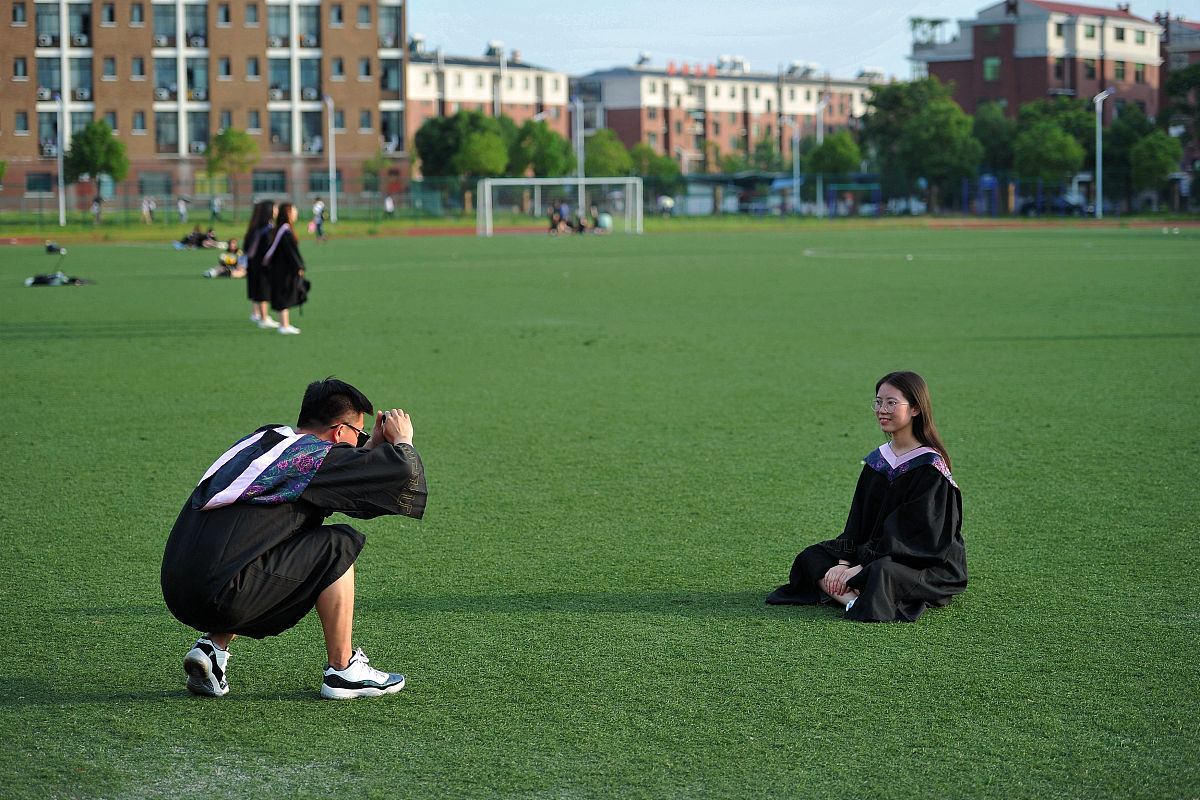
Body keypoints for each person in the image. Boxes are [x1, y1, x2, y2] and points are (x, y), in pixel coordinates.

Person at [161, 378, 427, 699]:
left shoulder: (265, 439)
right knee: (338, 544)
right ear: (339, 432)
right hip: (220, 596)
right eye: (359, 435)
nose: (360, 443)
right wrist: (402, 440)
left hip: (177, 589)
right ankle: (343, 670)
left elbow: (335, 475)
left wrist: (369, 449)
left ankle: (213, 648)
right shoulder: (314, 459)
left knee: (280, 538)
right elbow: (401, 472)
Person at [766, 371, 966, 622]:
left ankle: (853, 589)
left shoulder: (930, 467)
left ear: (915, 408)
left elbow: (920, 535)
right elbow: (857, 520)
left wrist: (862, 566)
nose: (882, 410)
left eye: (891, 403)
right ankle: (854, 601)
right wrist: (843, 563)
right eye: (878, 402)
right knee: (812, 556)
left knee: (880, 572)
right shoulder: (878, 461)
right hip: (873, 551)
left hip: (921, 561)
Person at [262, 203, 307, 335]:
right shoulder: (285, 231)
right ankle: (284, 325)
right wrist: (299, 266)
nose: (296, 213)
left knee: (283, 294)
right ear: (288, 213)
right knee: (283, 295)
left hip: (281, 268)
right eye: (294, 210)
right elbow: (291, 252)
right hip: (283, 270)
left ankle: (284, 324)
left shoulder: (281, 229)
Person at [242, 200, 279, 328]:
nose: (277, 211)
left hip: (253, 263)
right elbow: (269, 248)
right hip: (262, 264)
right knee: (263, 290)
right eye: (275, 208)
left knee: (256, 288)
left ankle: (256, 313)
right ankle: (264, 318)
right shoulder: (267, 228)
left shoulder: (255, 227)